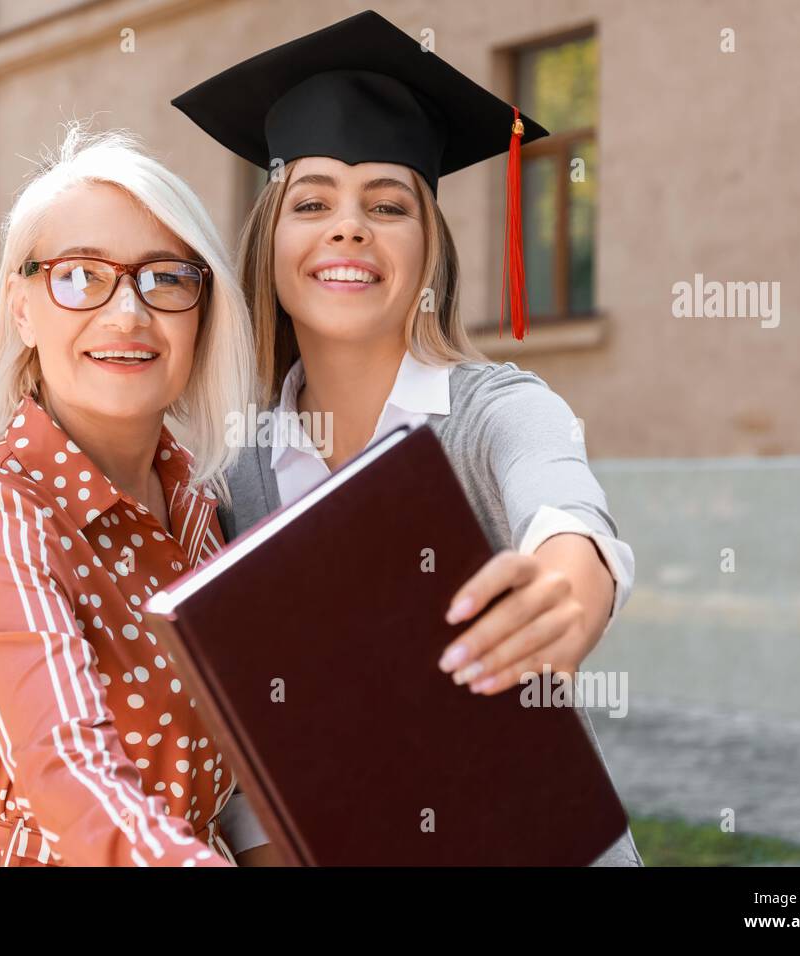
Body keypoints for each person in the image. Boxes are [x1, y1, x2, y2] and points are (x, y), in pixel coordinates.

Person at [174, 10, 642, 866]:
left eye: (387, 205)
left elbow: (563, 510)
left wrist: (569, 586)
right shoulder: (231, 462)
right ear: (269, 243)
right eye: (311, 202)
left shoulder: (498, 411)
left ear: (429, 249)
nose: (349, 227)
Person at [0, 123, 256, 866]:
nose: (129, 313)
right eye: (79, 274)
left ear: (203, 311)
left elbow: (232, 781)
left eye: (166, 277)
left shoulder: (202, 507)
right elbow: (71, 771)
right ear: (22, 307)